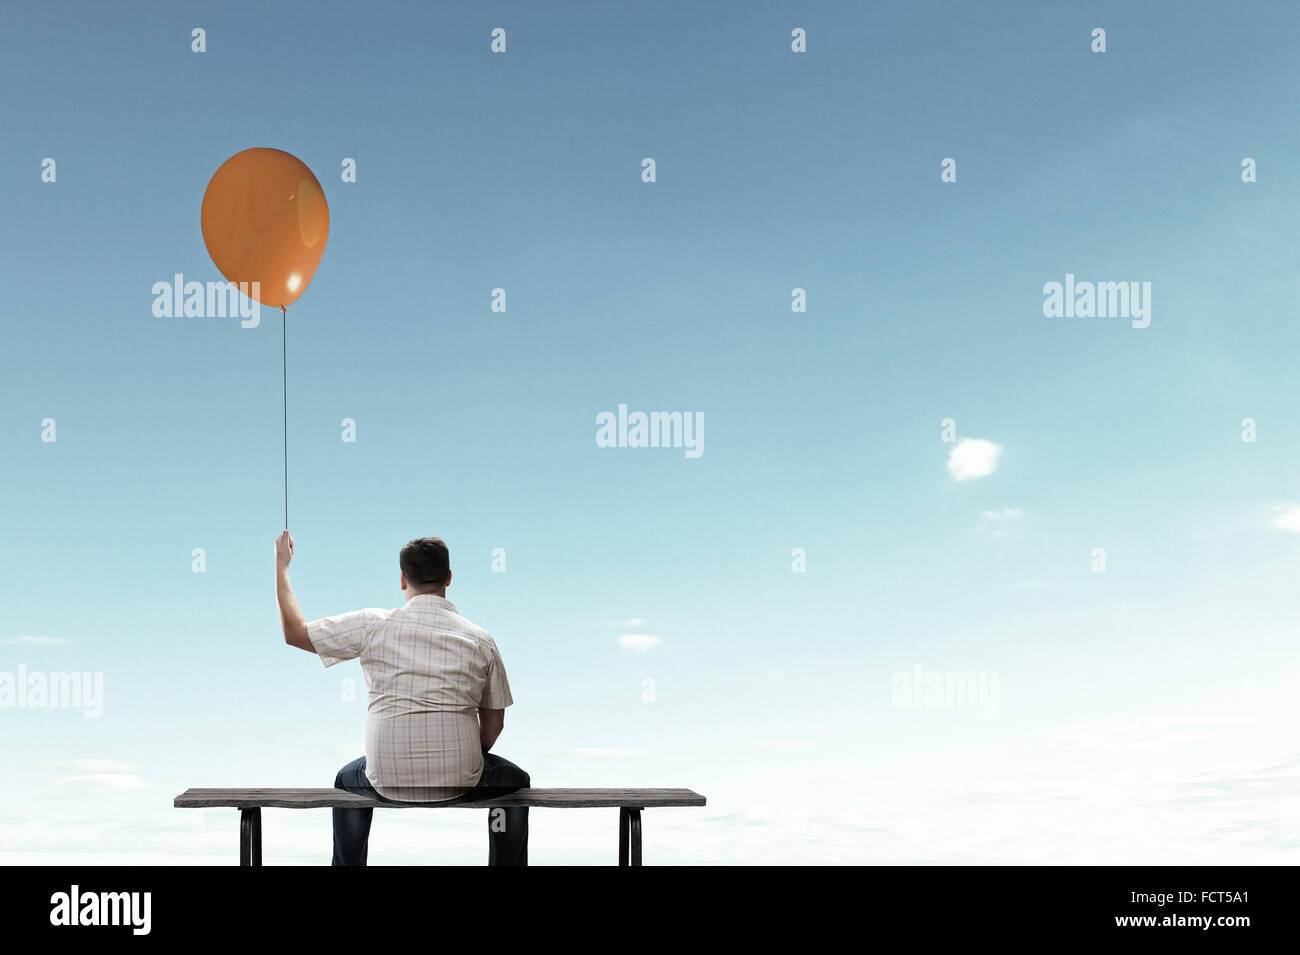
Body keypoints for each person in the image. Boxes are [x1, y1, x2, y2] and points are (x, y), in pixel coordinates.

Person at [273, 531, 529, 865]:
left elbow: (295, 633)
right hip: (463, 777)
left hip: (384, 777)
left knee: (346, 782)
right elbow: (495, 722)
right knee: (516, 782)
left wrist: (282, 568)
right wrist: (465, 756)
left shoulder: (372, 625)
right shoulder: (480, 639)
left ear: (402, 579)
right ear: (449, 578)